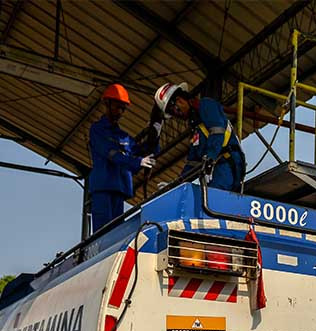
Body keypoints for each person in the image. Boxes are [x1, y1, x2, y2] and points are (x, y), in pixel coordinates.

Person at [152, 82, 246, 192]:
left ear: (179, 100)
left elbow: (217, 132)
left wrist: (209, 159)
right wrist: (176, 184)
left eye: (175, 111)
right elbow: (193, 161)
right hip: (216, 167)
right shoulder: (196, 128)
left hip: (227, 163)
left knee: (213, 199)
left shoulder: (206, 105)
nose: (178, 116)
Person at [88, 83, 156, 233]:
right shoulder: (97, 130)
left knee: (116, 234)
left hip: (119, 190)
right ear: (107, 104)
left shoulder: (123, 136)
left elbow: (140, 150)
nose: (120, 111)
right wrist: (138, 161)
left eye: (123, 108)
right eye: (117, 107)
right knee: (102, 234)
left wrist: (154, 134)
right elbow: (111, 154)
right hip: (103, 188)